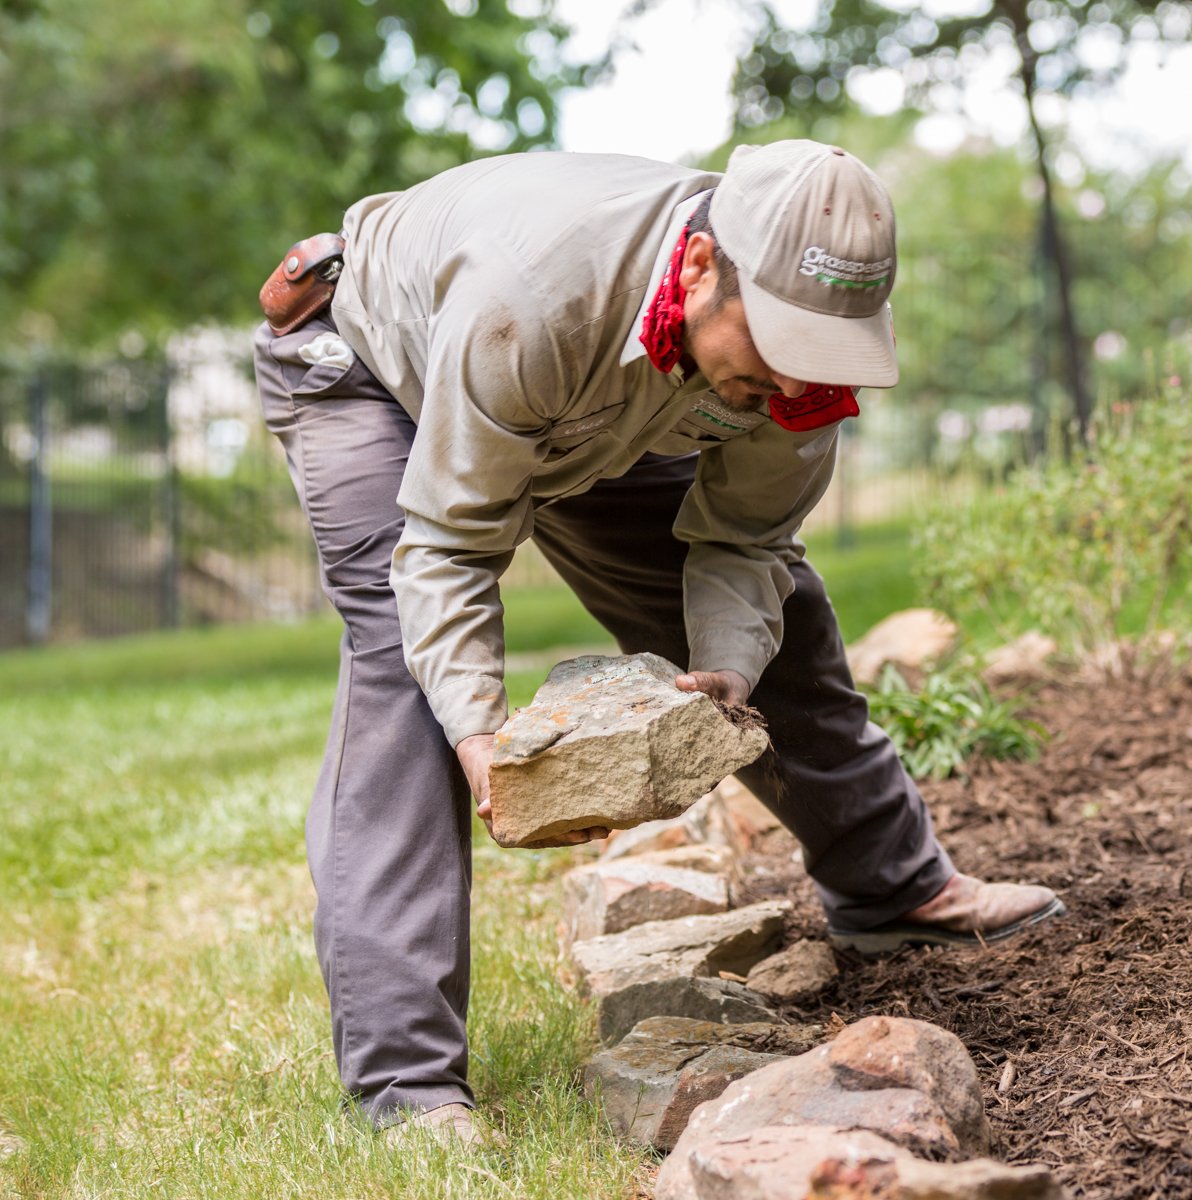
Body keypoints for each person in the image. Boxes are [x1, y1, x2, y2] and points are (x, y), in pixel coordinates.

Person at [251, 140, 1065, 1143]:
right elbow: (450, 548)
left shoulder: (793, 364)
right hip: (377, 368)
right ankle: (406, 1083)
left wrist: (723, 672)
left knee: (788, 618)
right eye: (774, 347)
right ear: (700, 271)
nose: (794, 382)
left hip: (606, 409)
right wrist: (478, 734)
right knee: (405, 670)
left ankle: (892, 887)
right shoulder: (535, 297)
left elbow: (748, 539)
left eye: (820, 354)